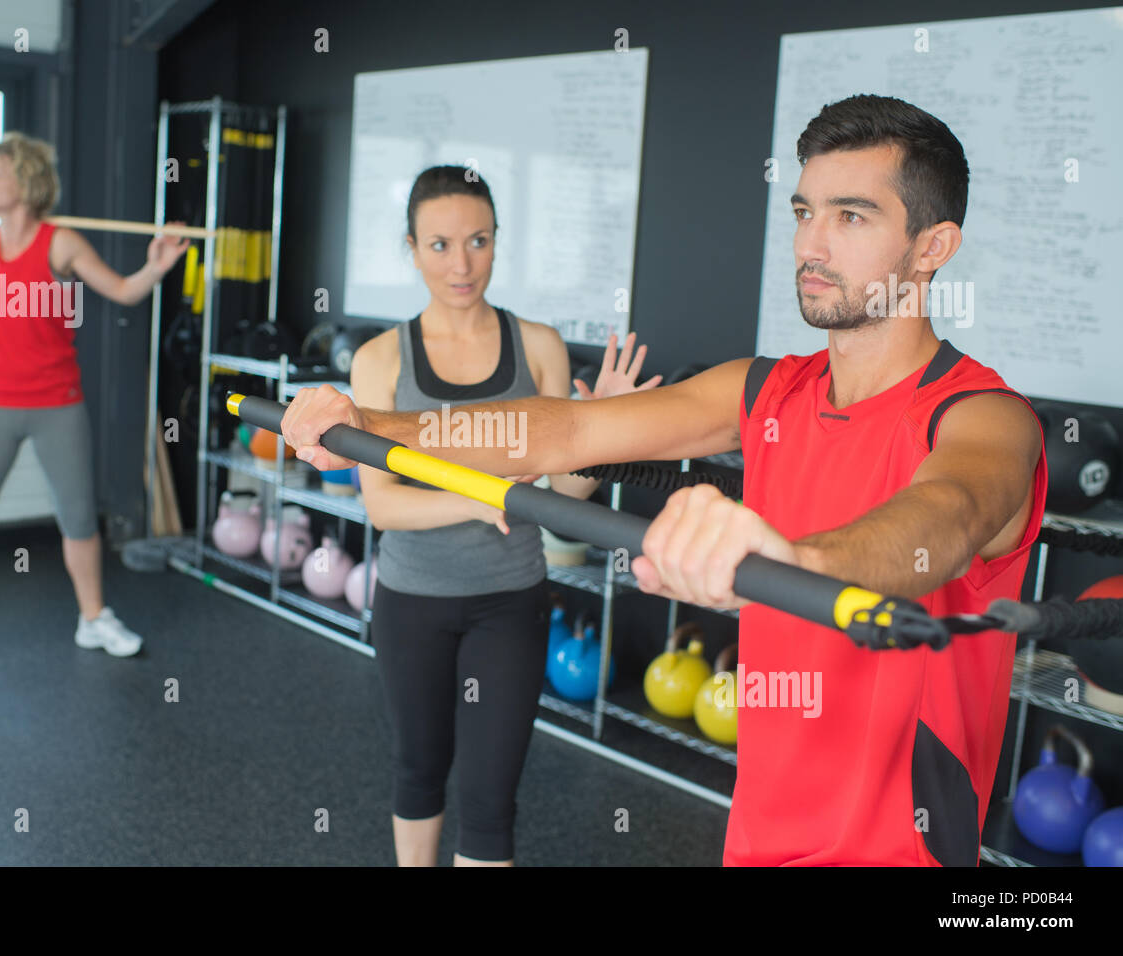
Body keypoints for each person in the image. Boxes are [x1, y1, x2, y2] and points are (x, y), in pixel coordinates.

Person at [282, 96, 1049, 867]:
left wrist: (794, 563)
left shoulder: (985, 417)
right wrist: (375, 428)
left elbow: (945, 517)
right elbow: (566, 429)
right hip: (754, 835)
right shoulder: (765, 390)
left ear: (931, 247)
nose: (811, 244)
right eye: (804, 211)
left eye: (852, 217)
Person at [351, 165, 659, 866]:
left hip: (509, 604)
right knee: (418, 771)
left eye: (478, 240)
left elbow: (561, 501)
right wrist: (484, 494)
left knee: (492, 800)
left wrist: (602, 430)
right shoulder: (379, 362)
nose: (461, 264)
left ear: (497, 240)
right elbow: (383, 507)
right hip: (412, 602)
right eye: (439, 245)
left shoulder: (540, 347)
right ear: (411, 247)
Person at [0, 131, 191, 684]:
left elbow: (124, 291)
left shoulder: (61, 243)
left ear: (25, 182)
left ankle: (93, 618)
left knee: (79, 520)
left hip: (56, 403)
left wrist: (156, 265)